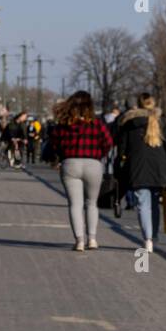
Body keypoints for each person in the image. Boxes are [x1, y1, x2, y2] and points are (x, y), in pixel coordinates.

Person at [115, 93, 166, 253]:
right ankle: (154, 236)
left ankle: (147, 239)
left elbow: (121, 148)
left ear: (137, 105)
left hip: (137, 168)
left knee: (143, 205)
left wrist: (119, 164)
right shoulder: (160, 122)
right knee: (154, 205)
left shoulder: (129, 123)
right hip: (159, 168)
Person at [52, 91, 113, 251]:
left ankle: (79, 240)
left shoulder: (64, 124)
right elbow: (108, 142)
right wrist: (99, 155)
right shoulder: (97, 123)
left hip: (70, 163)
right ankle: (92, 239)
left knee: (75, 204)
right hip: (93, 163)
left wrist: (61, 156)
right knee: (92, 203)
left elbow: (54, 143)